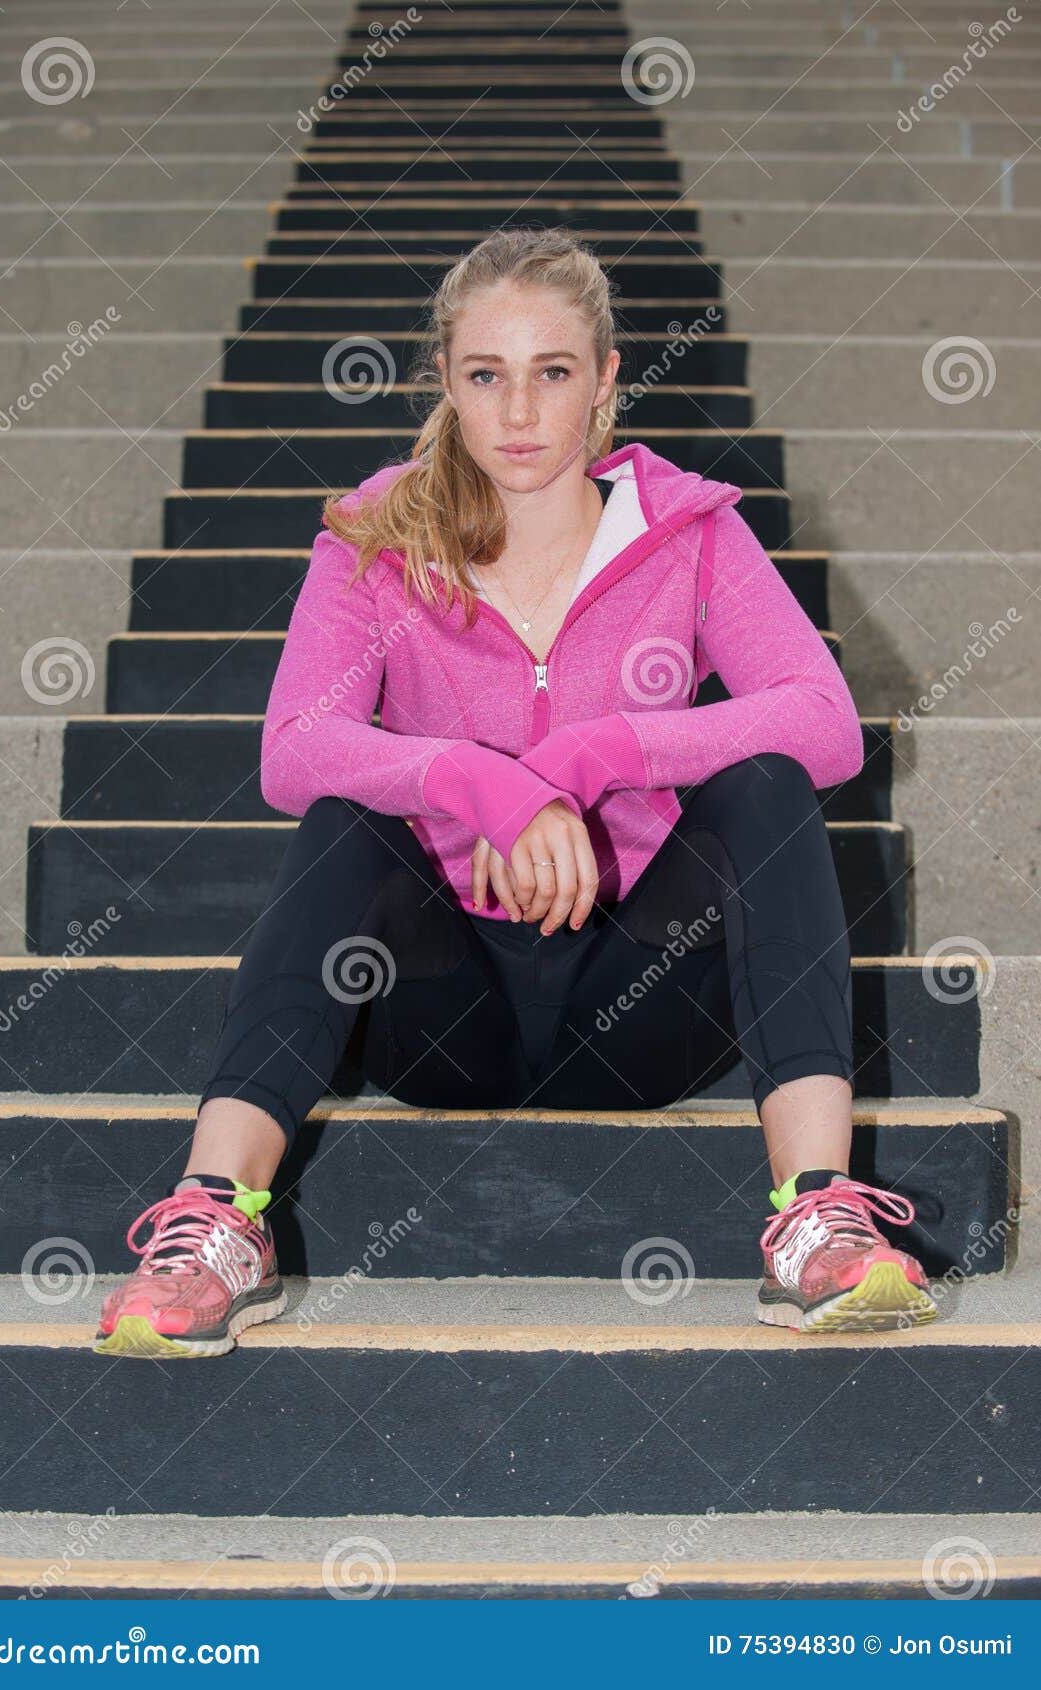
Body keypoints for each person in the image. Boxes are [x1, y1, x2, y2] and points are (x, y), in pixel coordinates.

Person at [94, 228, 936, 1359]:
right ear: (446, 380)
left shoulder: (689, 530)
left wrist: (594, 757)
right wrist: (473, 778)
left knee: (768, 783)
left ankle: (817, 1214)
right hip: (443, 1008)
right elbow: (291, 748)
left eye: (553, 372)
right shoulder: (376, 536)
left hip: (639, 1003)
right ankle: (210, 1228)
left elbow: (828, 723)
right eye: (486, 374)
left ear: (604, 384)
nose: (520, 411)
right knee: (347, 817)